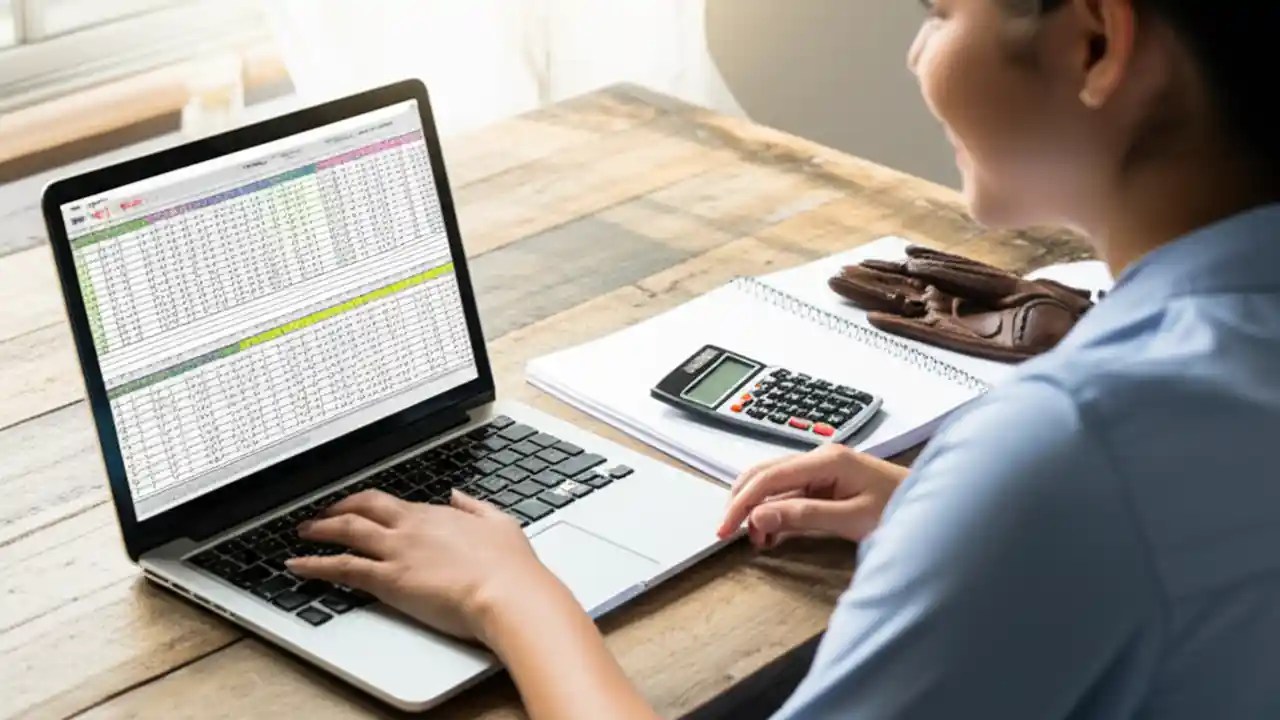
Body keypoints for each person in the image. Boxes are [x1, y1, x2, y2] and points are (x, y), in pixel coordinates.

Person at [287, 0, 1280, 716]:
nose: (912, 51)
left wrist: (507, 594)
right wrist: (942, 525)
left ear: (1095, 42)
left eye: (937, 10)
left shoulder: (1069, 449)